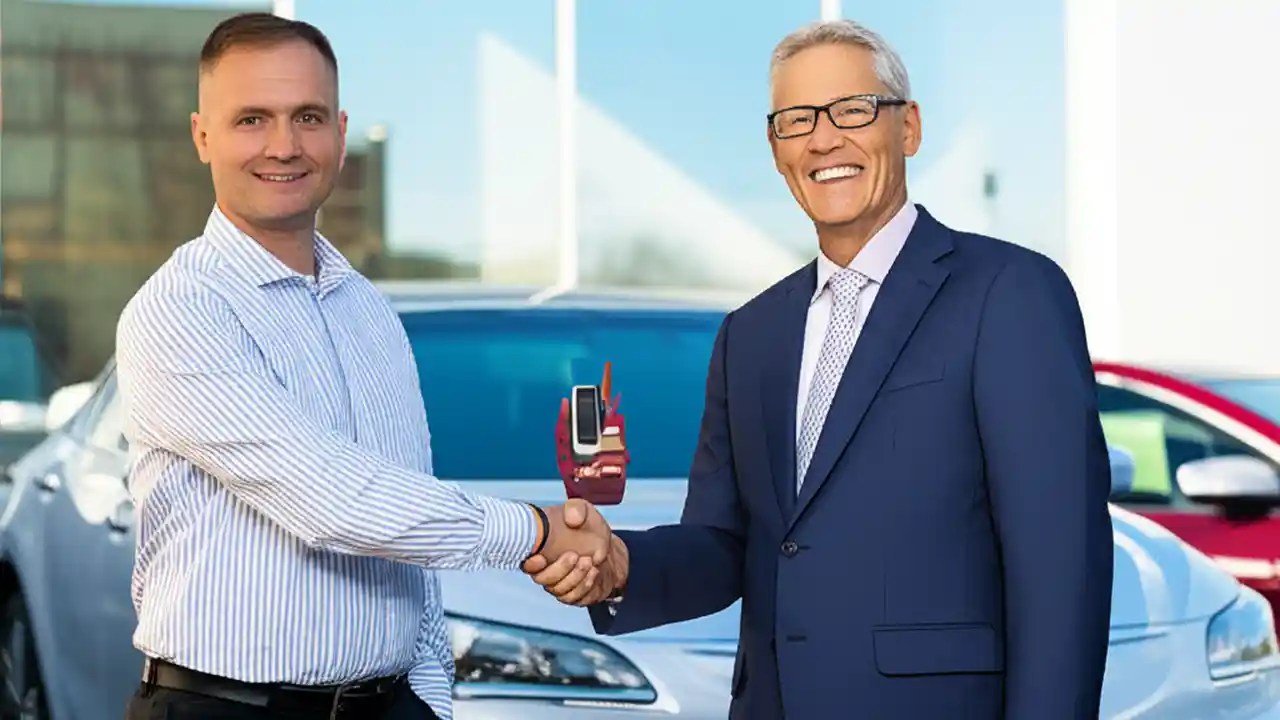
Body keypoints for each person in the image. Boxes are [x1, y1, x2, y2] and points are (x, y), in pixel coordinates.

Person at [523, 18, 1114, 719]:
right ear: (777, 150)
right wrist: (621, 565)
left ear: (908, 127)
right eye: (797, 120)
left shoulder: (1008, 293)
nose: (824, 139)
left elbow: (1061, 567)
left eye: (852, 110)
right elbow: (727, 544)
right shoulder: (751, 334)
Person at [115, 12, 612, 720]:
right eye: (252, 119)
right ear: (202, 136)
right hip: (226, 708)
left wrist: (429, 696)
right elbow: (337, 502)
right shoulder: (180, 310)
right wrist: (536, 530)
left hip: (388, 704)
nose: (284, 146)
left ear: (340, 132)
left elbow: (408, 506)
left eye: (308, 117)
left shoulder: (370, 311)